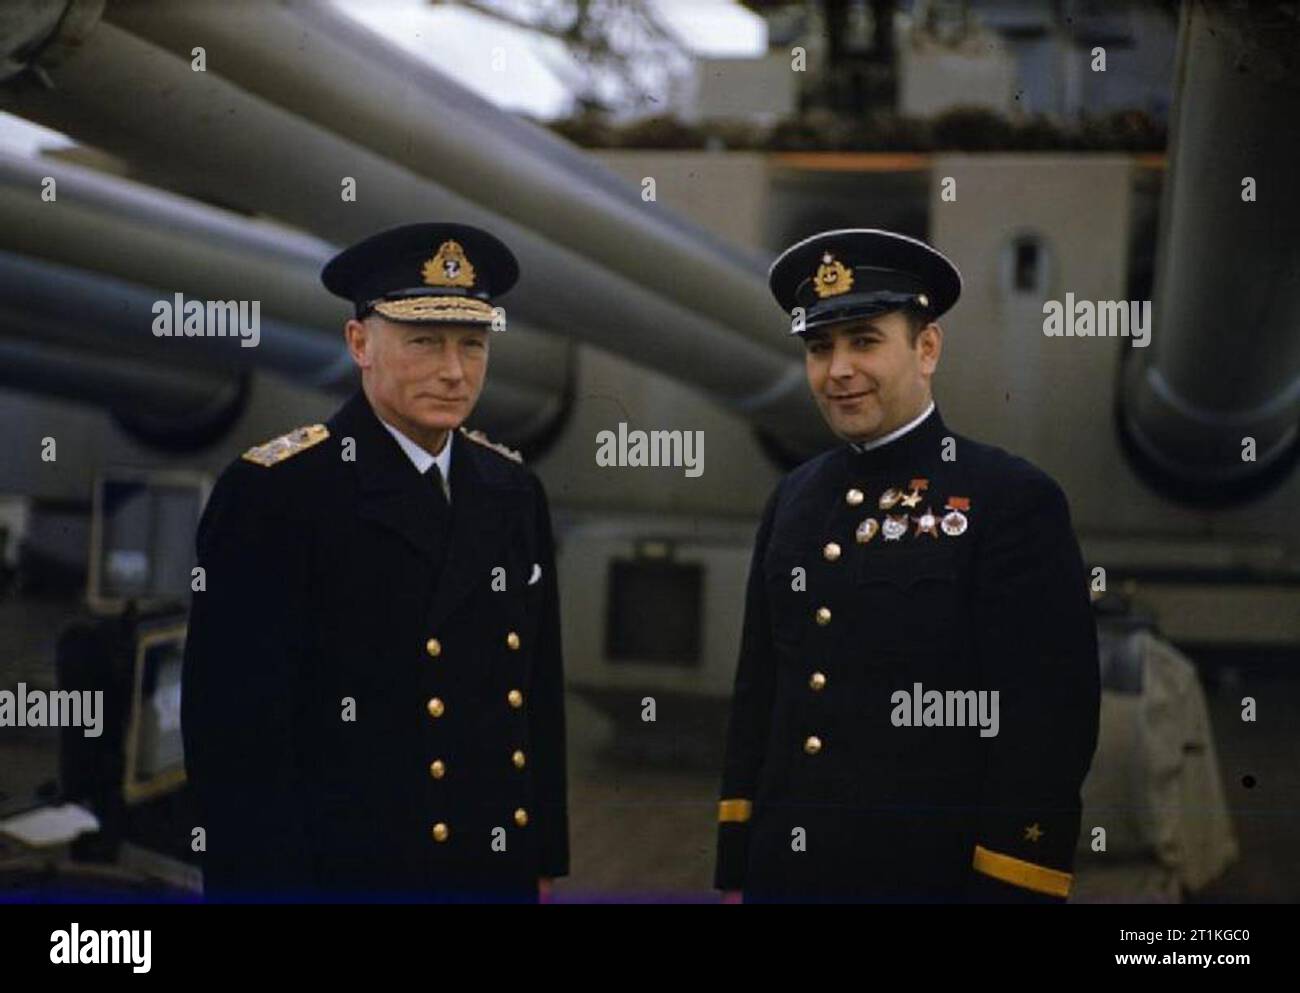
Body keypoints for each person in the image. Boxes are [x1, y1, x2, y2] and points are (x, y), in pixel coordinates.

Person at [182, 223, 568, 902]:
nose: (454, 370)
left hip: (488, 872)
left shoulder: (511, 490)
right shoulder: (281, 492)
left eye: (472, 344)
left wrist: (540, 861)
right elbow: (237, 737)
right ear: (359, 343)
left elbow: (535, 699)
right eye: (424, 341)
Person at [714, 229, 1099, 902]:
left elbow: (1045, 726)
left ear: (926, 348)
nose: (838, 369)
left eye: (864, 341)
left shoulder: (1008, 500)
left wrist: (1014, 886)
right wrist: (739, 861)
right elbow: (760, 695)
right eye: (818, 347)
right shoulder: (794, 500)